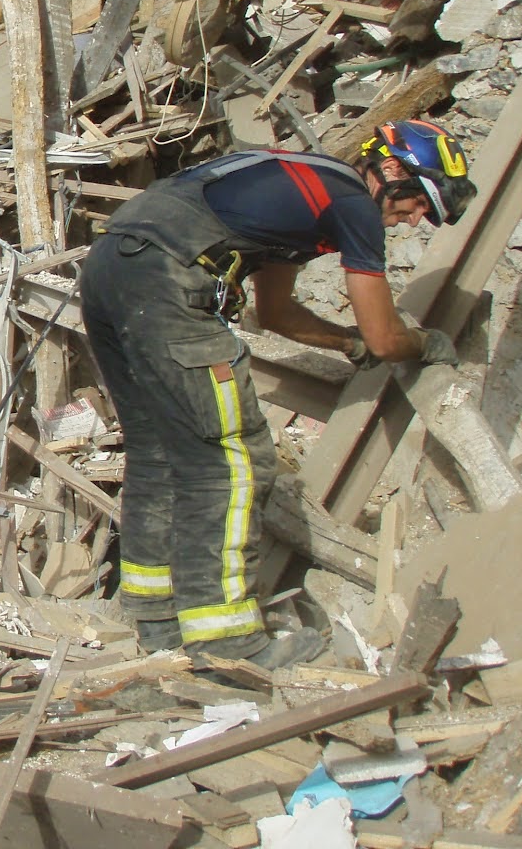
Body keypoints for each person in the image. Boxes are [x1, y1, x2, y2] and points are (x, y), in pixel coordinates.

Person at [80, 120, 476, 668]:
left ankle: (155, 618)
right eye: (416, 202)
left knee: (159, 455)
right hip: (170, 282)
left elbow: (276, 314)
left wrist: (342, 341)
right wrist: (423, 343)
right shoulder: (354, 204)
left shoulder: (299, 190)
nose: (412, 219)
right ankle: (227, 641)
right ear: (389, 169)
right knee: (230, 463)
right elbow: (387, 339)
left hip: (110, 270)